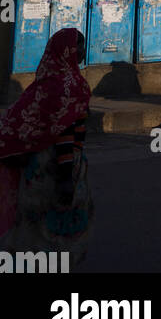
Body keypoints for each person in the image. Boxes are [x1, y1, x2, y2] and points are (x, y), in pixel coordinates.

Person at [0, 27, 94, 265]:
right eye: (78, 46)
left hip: (39, 165)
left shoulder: (45, 82)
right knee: (57, 222)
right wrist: (65, 176)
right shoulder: (67, 86)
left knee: (36, 223)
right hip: (56, 165)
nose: (83, 51)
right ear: (66, 51)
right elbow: (63, 132)